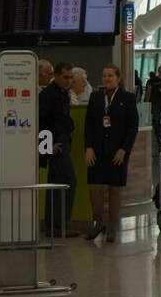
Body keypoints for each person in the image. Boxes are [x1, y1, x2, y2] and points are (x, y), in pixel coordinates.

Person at [83, 64, 139, 243]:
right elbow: (89, 125)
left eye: (110, 76)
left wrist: (124, 150)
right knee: (95, 188)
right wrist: (88, 147)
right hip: (97, 151)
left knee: (115, 189)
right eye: (104, 75)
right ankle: (98, 222)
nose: (106, 79)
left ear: (118, 78)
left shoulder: (127, 98)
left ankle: (112, 227)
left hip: (118, 151)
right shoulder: (95, 97)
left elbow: (132, 127)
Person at [38, 60, 77, 236]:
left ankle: (53, 225)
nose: (69, 81)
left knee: (56, 183)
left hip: (60, 141)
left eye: (71, 78)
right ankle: (59, 225)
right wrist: (47, 146)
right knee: (67, 182)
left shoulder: (62, 93)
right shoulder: (49, 95)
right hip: (56, 144)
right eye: (65, 77)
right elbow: (42, 122)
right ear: (57, 76)